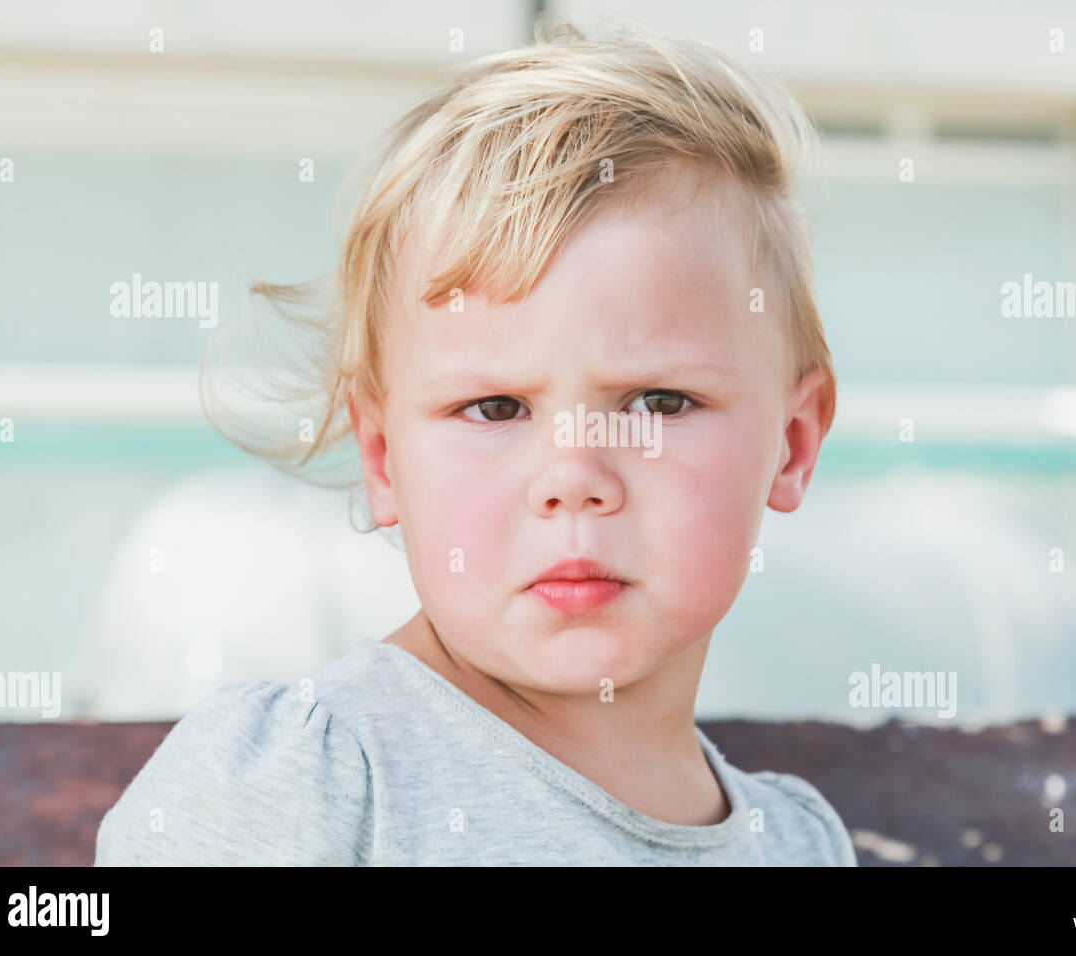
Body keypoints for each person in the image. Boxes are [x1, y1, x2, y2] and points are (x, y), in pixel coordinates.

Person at [95, 19, 853, 865]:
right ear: (382, 459)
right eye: (495, 408)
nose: (573, 476)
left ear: (791, 445)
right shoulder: (308, 785)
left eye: (658, 403)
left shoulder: (799, 845)